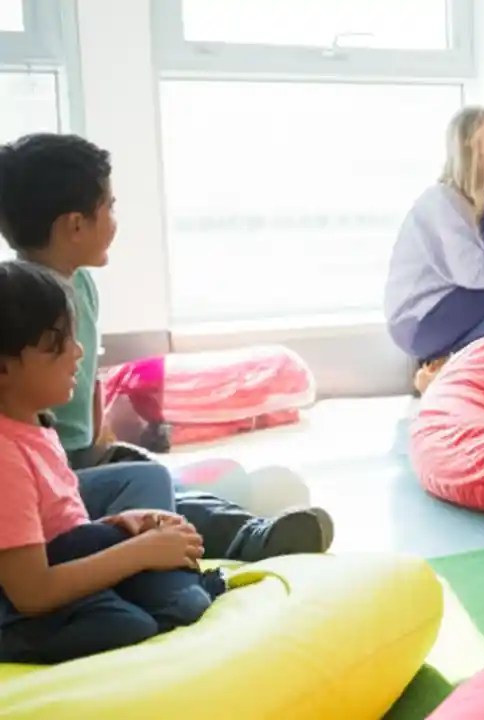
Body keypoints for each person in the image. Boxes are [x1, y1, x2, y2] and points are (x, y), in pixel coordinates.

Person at [0, 133, 333, 561]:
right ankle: (250, 539)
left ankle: (252, 528)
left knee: (160, 481)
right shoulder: (20, 303)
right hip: (43, 472)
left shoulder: (81, 284)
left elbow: (89, 377)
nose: (116, 219)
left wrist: (103, 436)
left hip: (84, 454)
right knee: (151, 499)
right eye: (110, 207)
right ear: (75, 225)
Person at [0, 260, 225, 663]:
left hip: (66, 552)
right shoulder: (5, 456)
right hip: (20, 599)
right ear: (4, 366)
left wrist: (121, 526)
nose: (78, 351)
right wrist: (140, 552)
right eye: (58, 343)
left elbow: (57, 525)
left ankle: (179, 589)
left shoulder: (34, 425)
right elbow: (32, 592)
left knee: (170, 580)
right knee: (134, 622)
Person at [385, 107, 484, 393]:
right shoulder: (441, 200)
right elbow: (474, 274)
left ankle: (448, 367)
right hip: (419, 320)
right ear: (471, 142)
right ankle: (449, 367)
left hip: (451, 308)